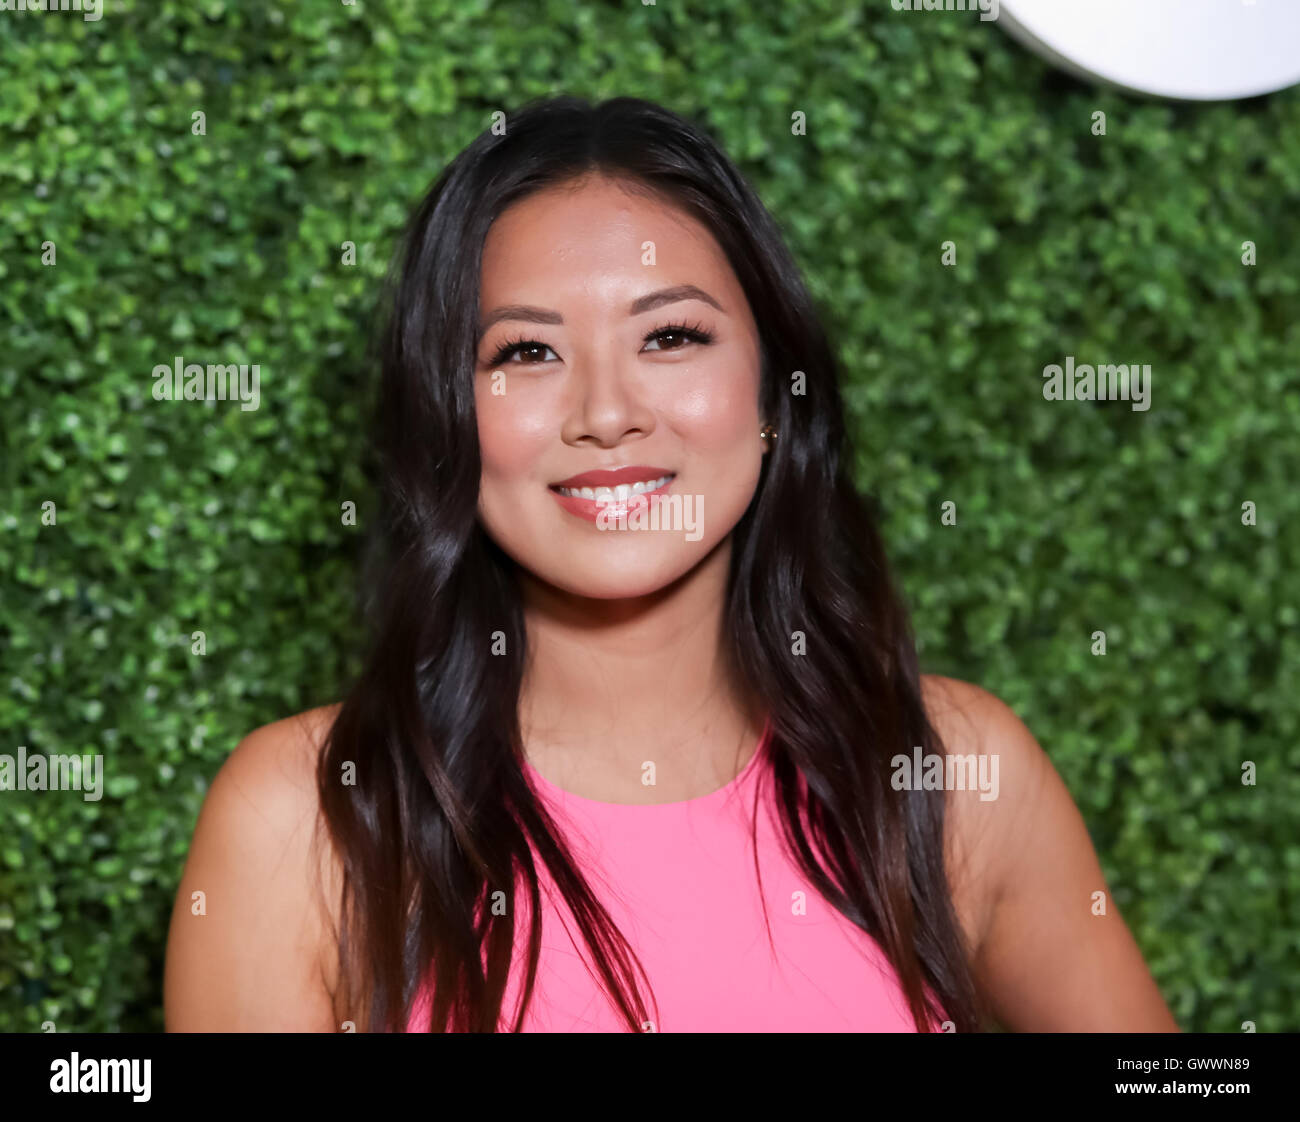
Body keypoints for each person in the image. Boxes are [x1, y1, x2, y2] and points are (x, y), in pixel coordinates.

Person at [163, 94, 1178, 1033]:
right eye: (525, 353)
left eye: (671, 336)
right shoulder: (305, 816)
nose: (607, 414)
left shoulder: (954, 776)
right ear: (447, 421)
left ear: (775, 395)